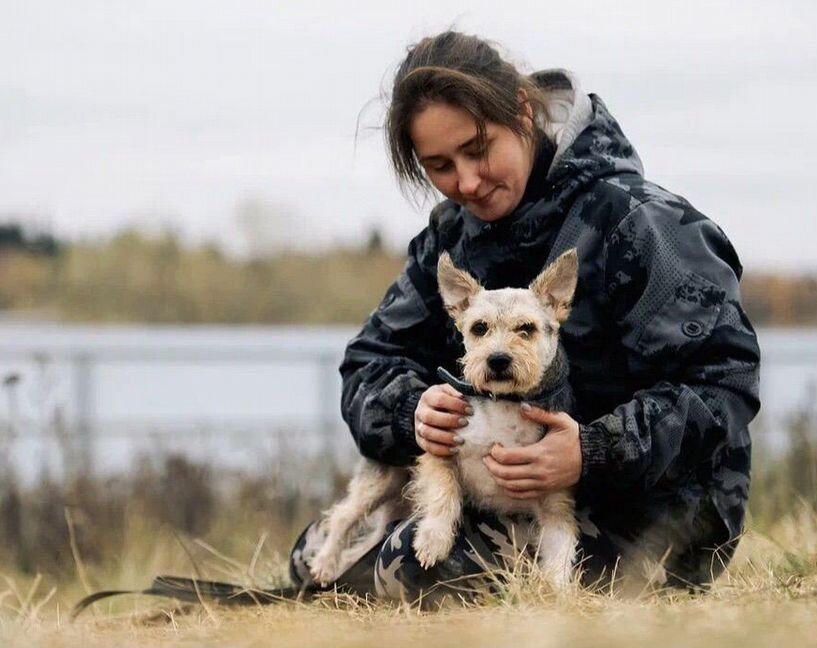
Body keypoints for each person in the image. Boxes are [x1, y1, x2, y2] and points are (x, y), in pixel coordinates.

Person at [290, 30, 760, 602]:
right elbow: (369, 362)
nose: (465, 182)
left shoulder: (640, 222)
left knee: (400, 568)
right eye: (438, 165)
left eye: (478, 148)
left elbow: (725, 384)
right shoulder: (451, 237)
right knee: (310, 554)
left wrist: (593, 451)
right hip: (498, 495)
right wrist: (410, 410)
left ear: (520, 107)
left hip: (652, 514)